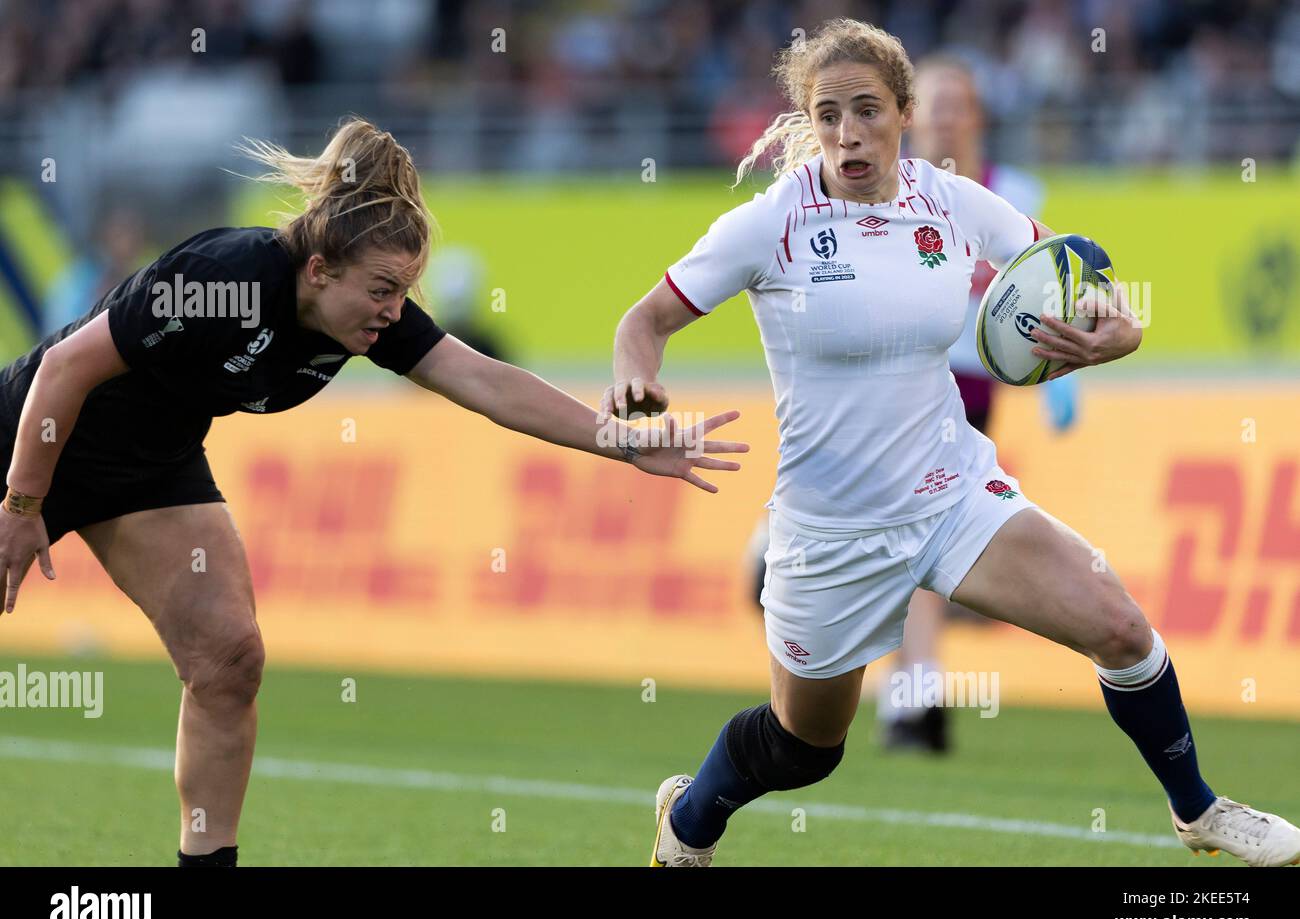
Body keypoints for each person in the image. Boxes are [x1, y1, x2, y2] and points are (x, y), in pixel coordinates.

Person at [602, 19, 1300, 867]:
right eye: (828, 115)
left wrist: (1117, 332)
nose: (847, 133)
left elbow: (1083, 282)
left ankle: (1199, 811)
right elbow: (644, 320)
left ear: (904, 113)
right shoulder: (770, 223)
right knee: (804, 748)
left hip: (950, 491)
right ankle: (690, 819)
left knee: (1118, 626)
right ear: (808, 121)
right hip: (831, 530)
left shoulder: (951, 200)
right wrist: (636, 390)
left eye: (867, 110)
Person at [0, 118, 747, 867]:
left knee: (228, 660)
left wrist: (620, 439)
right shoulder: (227, 279)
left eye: (402, 292)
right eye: (383, 291)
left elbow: (486, 380)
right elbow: (64, 368)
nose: (394, 311)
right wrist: (23, 504)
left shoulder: (361, 315)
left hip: (150, 466)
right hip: (34, 434)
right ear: (320, 269)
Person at [873, 53, 1077, 753]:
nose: (946, 116)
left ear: (977, 116)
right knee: (909, 557)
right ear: (911, 115)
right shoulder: (885, 194)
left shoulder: (1011, 192)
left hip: (968, 394)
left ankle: (913, 699)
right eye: (934, 103)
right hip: (891, 389)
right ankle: (910, 696)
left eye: (959, 102)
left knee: (918, 552)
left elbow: (1048, 285)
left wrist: (1063, 376)